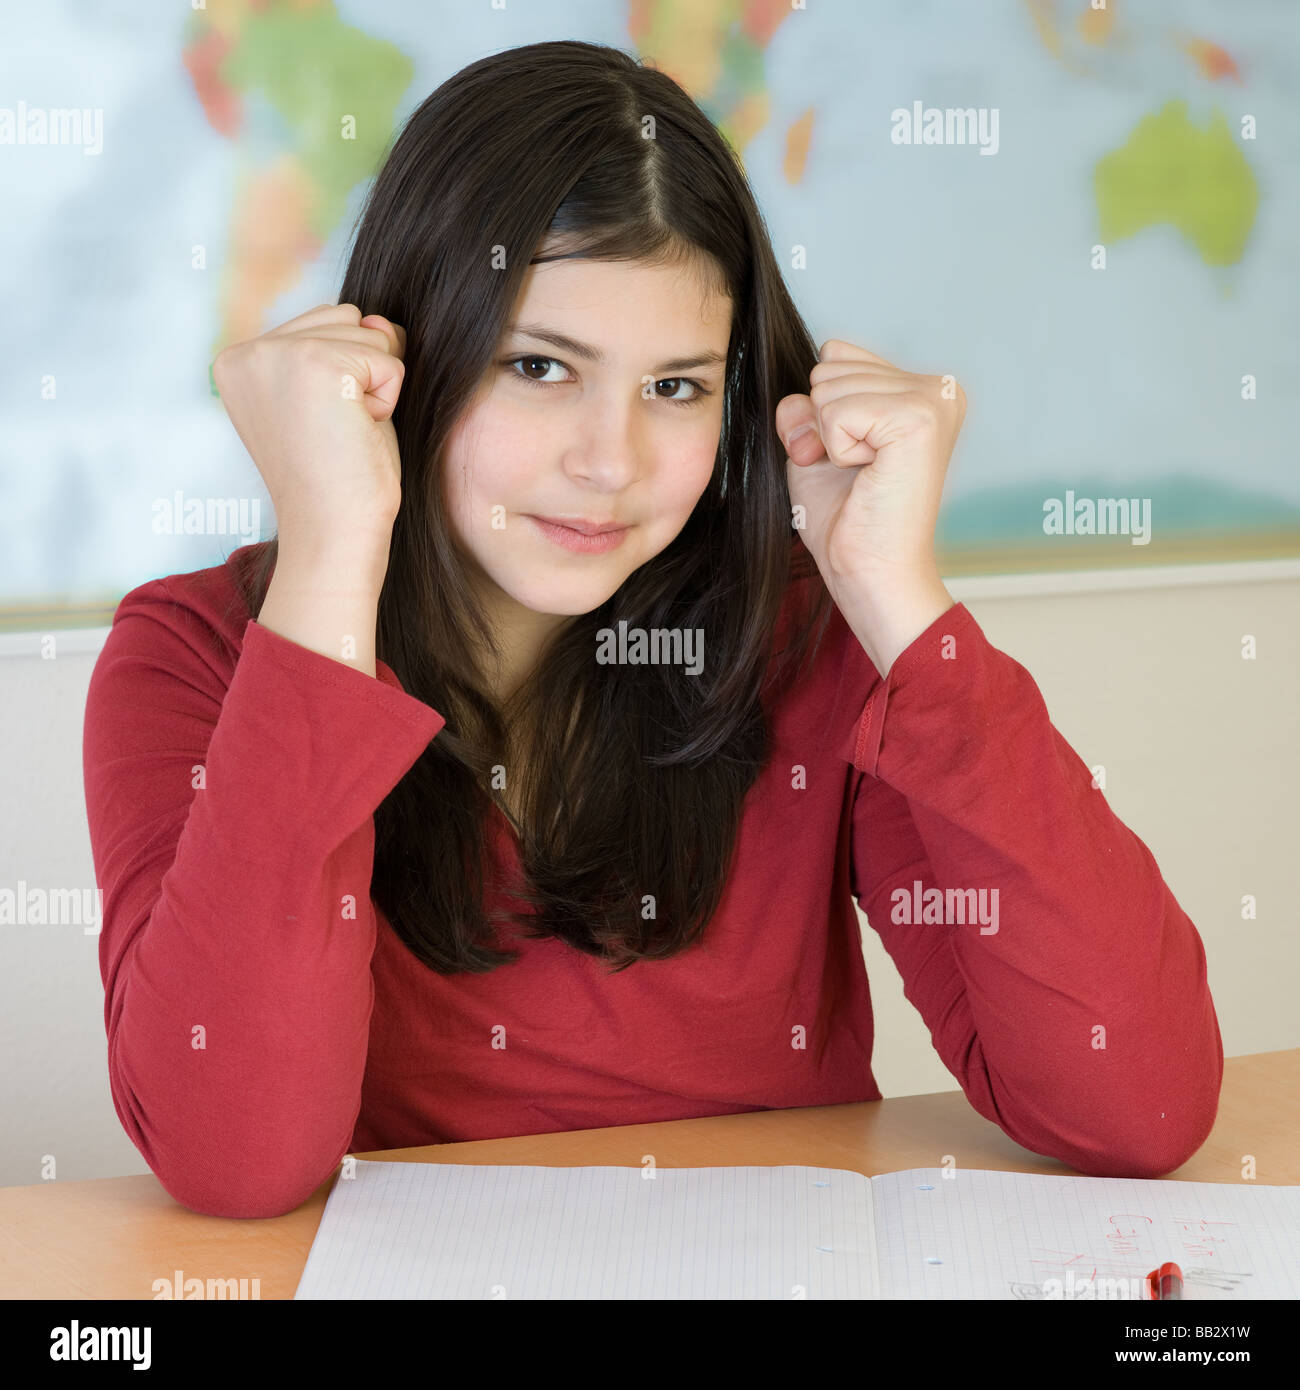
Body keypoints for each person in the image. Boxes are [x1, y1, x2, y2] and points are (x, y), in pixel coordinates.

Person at [83, 40, 1222, 1220]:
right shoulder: (195, 658)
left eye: (674, 387)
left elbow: (1132, 1108)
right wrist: (329, 549)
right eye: (536, 365)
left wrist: (895, 594)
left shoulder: (801, 631)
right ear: (398, 359)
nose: (609, 463)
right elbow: (238, 1161)